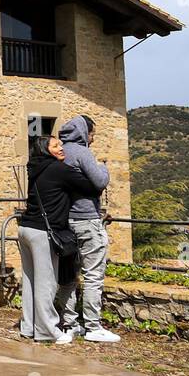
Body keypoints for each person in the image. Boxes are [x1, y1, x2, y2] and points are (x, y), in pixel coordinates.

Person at [19, 134, 102, 344]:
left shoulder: (35, 168)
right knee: (46, 283)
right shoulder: (59, 169)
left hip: (25, 229)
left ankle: (29, 327)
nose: (62, 148)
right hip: (42, 233)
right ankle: (48, 331)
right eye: (56, 146)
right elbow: (93, 186)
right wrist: (100, 168)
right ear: (47, 150)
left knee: (29, 283)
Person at [55, 115, 120, 343]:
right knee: (93, 274)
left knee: (68, 275)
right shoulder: (82, 153)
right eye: (92, 134)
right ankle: (93, 327)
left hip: (65, 222)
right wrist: (104, 168)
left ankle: (69, 323)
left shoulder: (60, 152)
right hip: (87, 220)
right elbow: (100, 181)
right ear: (84, 132)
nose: (92, 139)